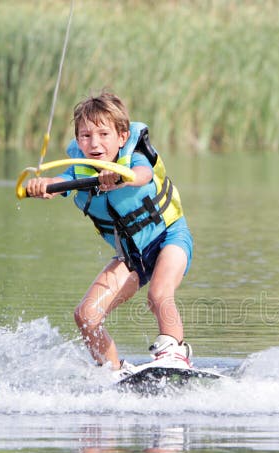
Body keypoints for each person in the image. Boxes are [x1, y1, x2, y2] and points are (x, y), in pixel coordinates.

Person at [25, 92, 193, 377]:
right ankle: (112, 372)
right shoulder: (80, 168)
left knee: (159, 293)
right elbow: (61, 181)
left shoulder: (136, 156)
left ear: (121, 137)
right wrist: (42, 185)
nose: (95, 143)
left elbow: (143, 175)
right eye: (86, 136)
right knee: (85, 316)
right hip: (131, 256)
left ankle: (176, 355)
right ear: (78, 141)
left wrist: (120, 177)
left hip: (169, 238)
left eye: (104, 134)